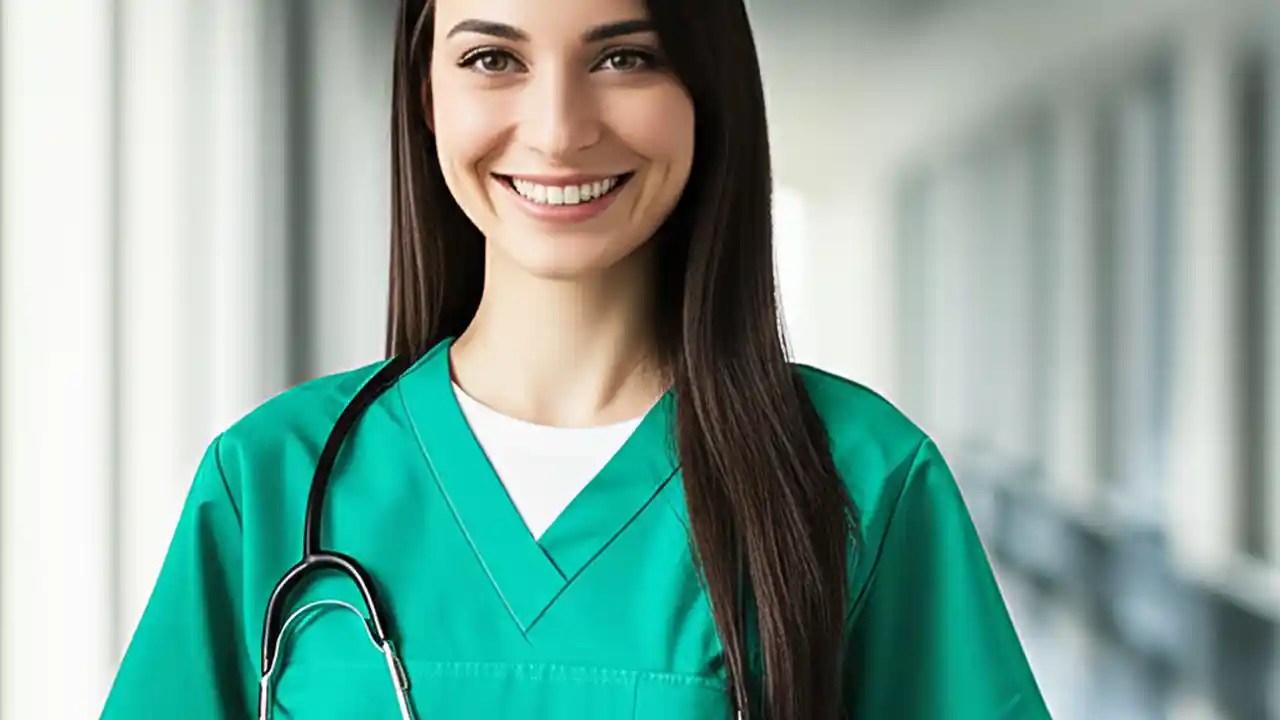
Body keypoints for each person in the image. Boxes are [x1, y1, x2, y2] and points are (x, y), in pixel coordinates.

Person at [101, 0, 1051, 717]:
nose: (559, 128)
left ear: (705, 93)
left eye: (624, 56)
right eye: (492, 58)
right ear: (424, 96)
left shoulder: (863, 477)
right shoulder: (273, 479)